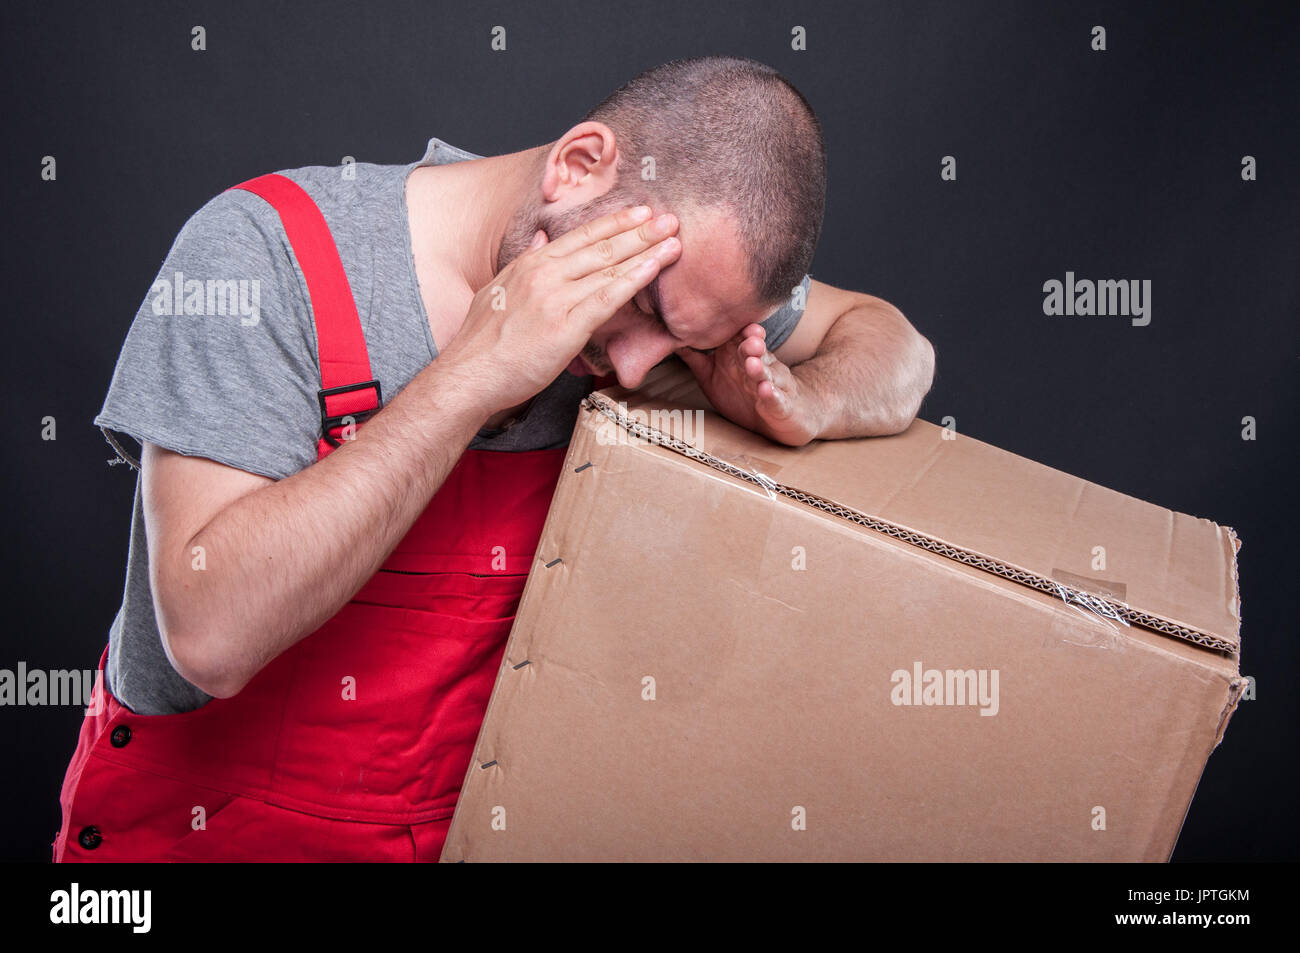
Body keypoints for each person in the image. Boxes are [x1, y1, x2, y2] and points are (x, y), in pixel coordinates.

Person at [54, 55, 934, 861]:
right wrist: (475, 372)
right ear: (579, 165)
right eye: (648, 310)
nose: (635, 366)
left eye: (678, 345)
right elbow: (210, 635)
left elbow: (898, 349)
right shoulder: (260, 254)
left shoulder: (682, 279)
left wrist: (806, 402)